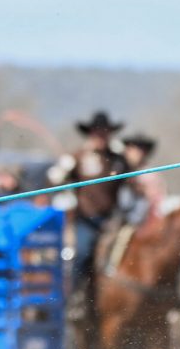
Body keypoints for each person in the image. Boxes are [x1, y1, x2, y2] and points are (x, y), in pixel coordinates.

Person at [48, 111, 129, 292]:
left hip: (112, 221)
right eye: (97, 132)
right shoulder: (78, 157)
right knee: (83, 253)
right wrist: (60, 173)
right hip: (86, 220)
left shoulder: (118, 160)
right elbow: (54, 181)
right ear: (90, 134)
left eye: (104, 132)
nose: (101, 136)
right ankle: (74, 297)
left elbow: (132, 183)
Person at [117, 134, 166, 228]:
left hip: (143, 221)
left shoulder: (149, 174)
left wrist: (140, 189)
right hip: (120, 218)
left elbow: (156, 200)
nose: (134, 153)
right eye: (131, 149)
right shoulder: (121, 169)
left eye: (139, 150)